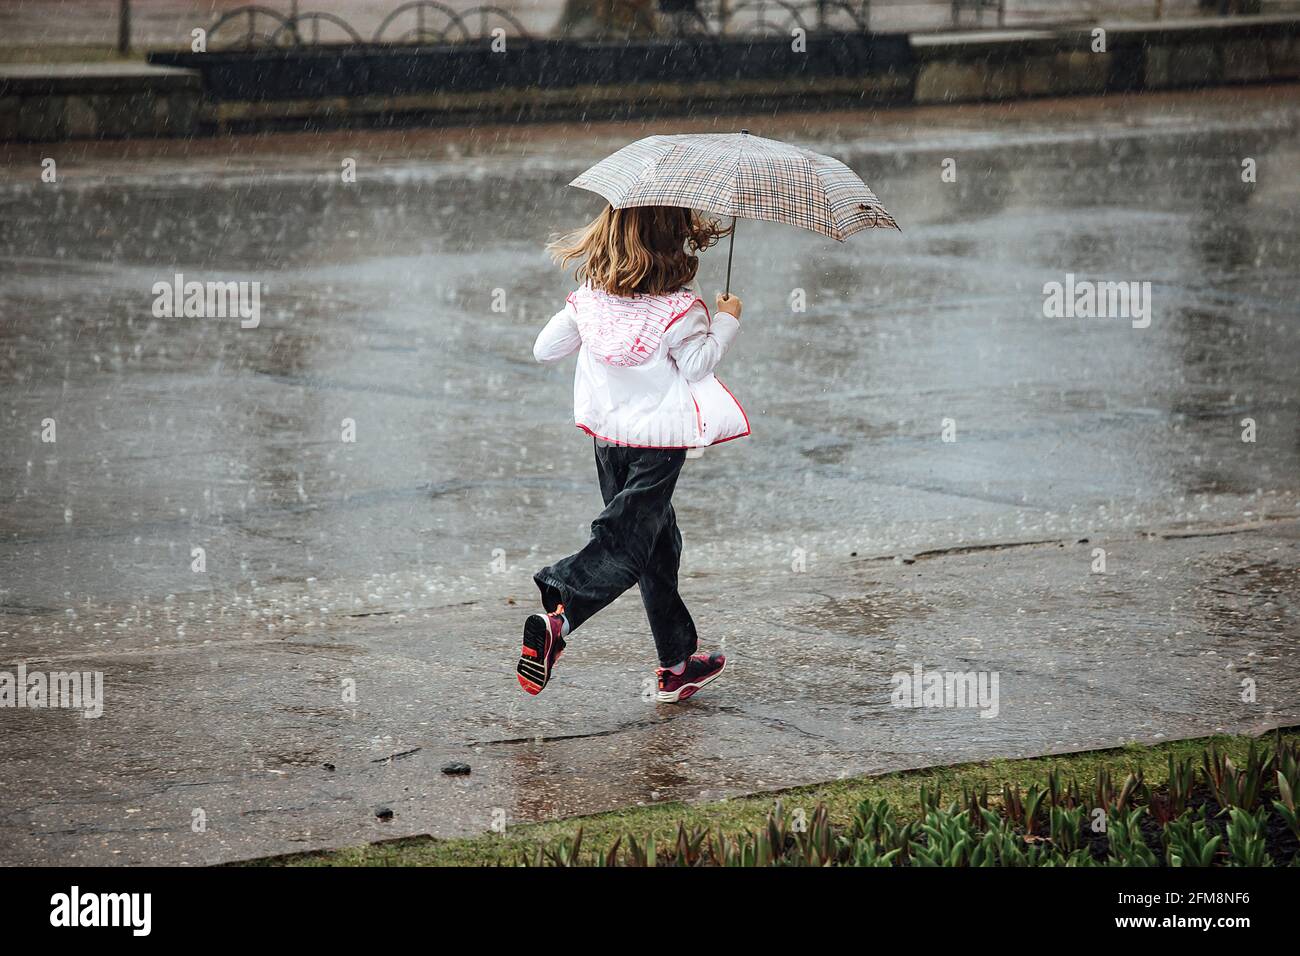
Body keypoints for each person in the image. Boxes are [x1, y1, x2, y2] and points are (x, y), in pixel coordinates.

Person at [518, 204, 750, 703]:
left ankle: (677, 664)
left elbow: (544, 349)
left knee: (657, 546)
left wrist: (587, 315)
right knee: (625, 545)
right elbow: (696, 365)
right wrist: (726, 321)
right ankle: (562, 612)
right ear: (674, 242)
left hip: (608, 442)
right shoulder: (680, 310)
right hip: (658, 447)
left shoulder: (589, 301)